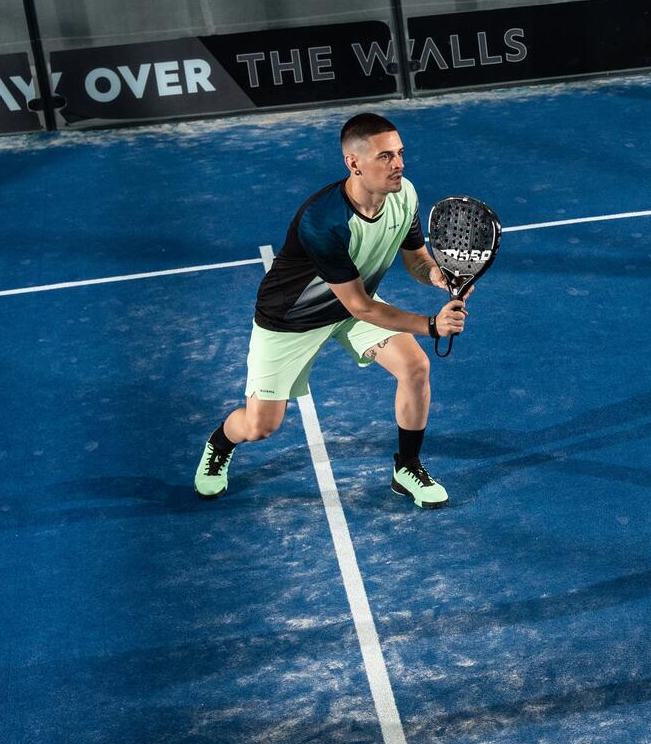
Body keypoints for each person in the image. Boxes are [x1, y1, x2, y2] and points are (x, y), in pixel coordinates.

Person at [193, 112, 467, 507]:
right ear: (353, 163)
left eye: (400, 153)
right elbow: (359, 305)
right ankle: (220, 443)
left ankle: (406, 466)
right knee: (260, 426)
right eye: (385, 157)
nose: (399, 164)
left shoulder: (403, 194)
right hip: (292, 320)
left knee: (415, 367)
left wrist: (441, 277)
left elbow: (417, 260)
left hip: (352, 305)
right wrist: (431, 325)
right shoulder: (324, 221)